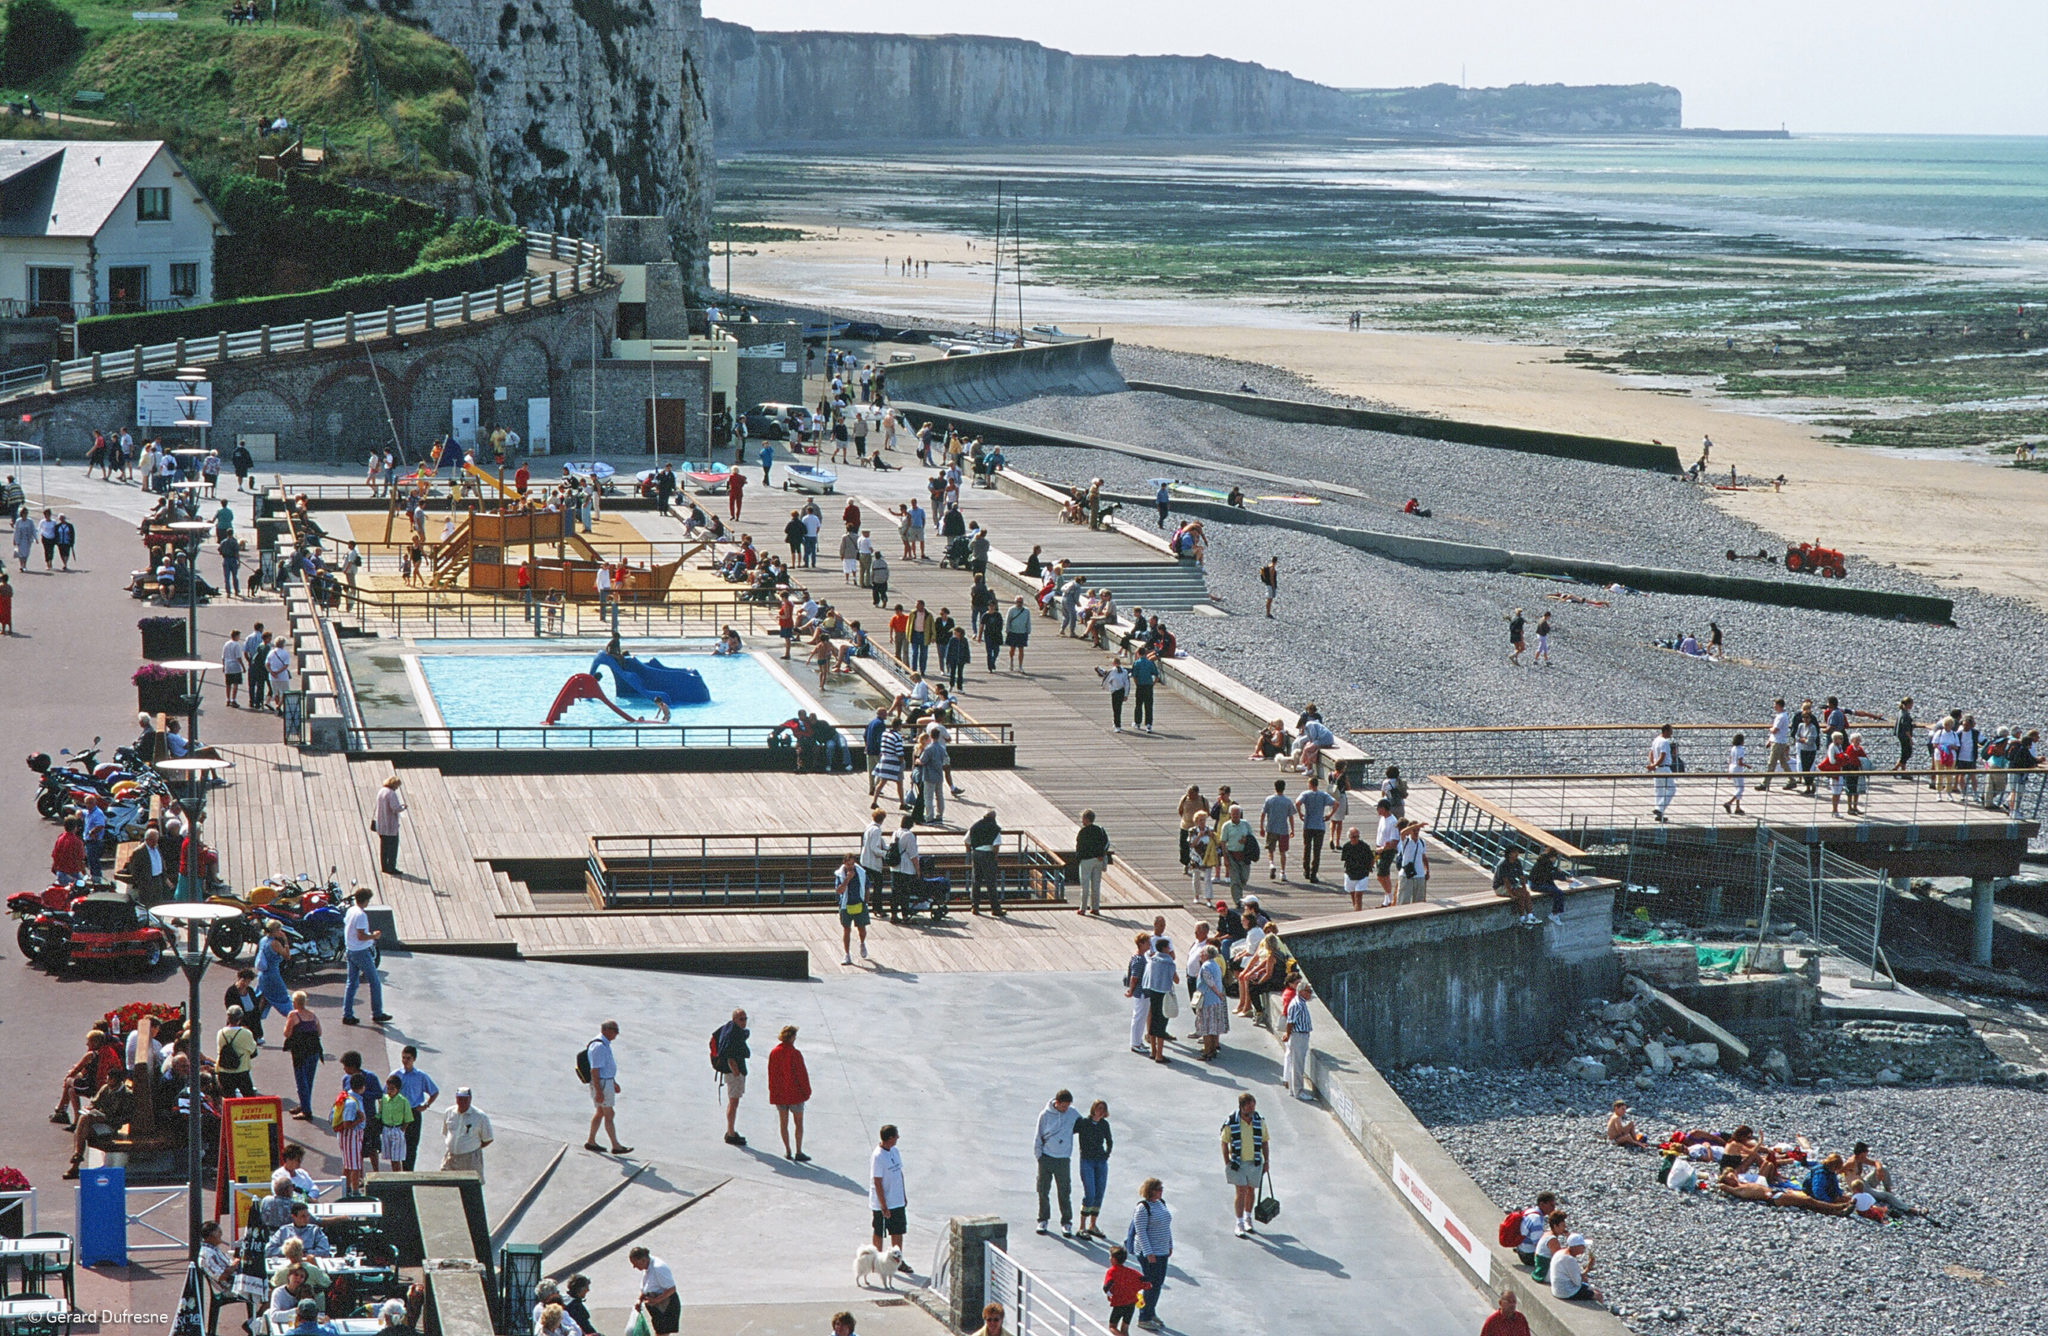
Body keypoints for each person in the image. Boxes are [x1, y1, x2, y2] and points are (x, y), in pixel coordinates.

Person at [1220, 1092, 1270, 1237]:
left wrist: (1266, 1161)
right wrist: (1227, 1162)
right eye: (1249, 1107)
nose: (1252, 1110)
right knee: (1240, 1191)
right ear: (1242, 1107)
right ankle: (1239, 1222)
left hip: (1254, 1162)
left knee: (1250, 1191)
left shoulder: (1259, 1121)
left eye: (1253, 1106)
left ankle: (1248, 1219)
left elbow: (1264, 1142)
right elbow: (1224, 1142)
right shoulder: (1231, 1122)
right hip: (1237, 1163)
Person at [1126, 1178, 1172, 1329]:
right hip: (1150, 1253)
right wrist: (1148, 1252)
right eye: (1158, 1188)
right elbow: (1141, 1232)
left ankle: (1150, 1312)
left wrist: (1170, 1244)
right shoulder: (1143, 1208)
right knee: (1151, 1285)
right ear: (1151, 1190)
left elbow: (1167, 1226)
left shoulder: (1161, 1204)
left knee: (1157, 1284)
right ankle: (1144, 1317)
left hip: (1162, 1251)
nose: (1161, 1190)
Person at [1034, 1089, 1081, 1236]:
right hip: (1046, 1157)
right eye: (1063, 1106)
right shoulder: (1045, 1115)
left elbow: (1082, 1126)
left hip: (1063, 1159)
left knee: (1064, 1191)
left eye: (1067, 1106)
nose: (1065, 1109)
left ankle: (1066, 1222)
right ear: (1057, 1102)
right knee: (1043, 1190)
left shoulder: (1072, 1113)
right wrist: (1039, 1156)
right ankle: (1043, 1219)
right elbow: (1038, 1134)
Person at [340, 886, 389, 1027]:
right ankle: (377, 1013)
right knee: (374, 982)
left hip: (350, 950)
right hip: (361, 952)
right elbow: (361, 936)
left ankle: (347, 1014)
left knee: (351, 983)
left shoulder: (351, 911)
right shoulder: (361, 915)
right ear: (366, 900)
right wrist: (374, 935)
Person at [584, 1020, 632, 1154]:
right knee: (609, 1114)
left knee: (600, 1113)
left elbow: (605, 1067)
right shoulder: (599, 1046)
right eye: (615, 1030)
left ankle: (591, 1141)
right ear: (606, 1030)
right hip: (602, 1084)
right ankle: (616, 1146)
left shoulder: (603, 1044)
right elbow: (594, 1070)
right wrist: (599, 1091)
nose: (617, 1034)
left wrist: (614, 1082)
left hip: (606, 1082)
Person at [767, 1025, 811, 1162]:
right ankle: (798, 1151)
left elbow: (771, 1075)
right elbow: (801, 1075)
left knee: (783, 1123)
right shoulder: (795, 1054)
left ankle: (787, 1150)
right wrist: (807, 1092)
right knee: (798, 1123)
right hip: (795, 1095)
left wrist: (773, 1092)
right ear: (791, 1037)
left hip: (780, 1095)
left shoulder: (774, 1052)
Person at [869, 1124, 910, 1261]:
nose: (898, 1137)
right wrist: (883, 1205)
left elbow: (899, 1173)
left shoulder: (895, 1151)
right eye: (896, 1135)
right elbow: (877, 1182)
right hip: (883, 1202)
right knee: (879, 1231)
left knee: (897, 1231)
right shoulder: (878, 1156)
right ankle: (877, 1260)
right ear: (890, 1138)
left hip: (896, 1200)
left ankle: (897, 1260)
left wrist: (903, 1195)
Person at [1075, 1098, 1114, 1238]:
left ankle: (1092, 1225)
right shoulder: (1084, 1123)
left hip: (1100, 1162)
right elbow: (1069, 1130)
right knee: (1089, 1193)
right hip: (1087, 1161)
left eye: (1103, 1109)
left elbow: (1109, 1141)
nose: (1100, 1111)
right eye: (1098, 1108)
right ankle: (1082, 1226)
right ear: (1093, 1108)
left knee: (1099, 1194)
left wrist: (1106, 1154)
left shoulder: (1104, 1125)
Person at [281, 990, 323, 1120]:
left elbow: (287, 1033)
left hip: (300, 1052)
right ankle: (304, 1104)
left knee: (301, 1081)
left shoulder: (293, 1015)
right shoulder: (312, 1015)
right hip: (314, 1050)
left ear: (295, 1003)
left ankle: (306, 1110)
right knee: (308, 1080)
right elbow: (319, 1032)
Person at [713, 1009, 749, 1147]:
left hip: (735, 1072)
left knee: (733, 1102)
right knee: (733, 1103)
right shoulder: (733, 1034)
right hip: (734, 1074)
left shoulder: (733, 1030)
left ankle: (731, 1131)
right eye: (741, 1019)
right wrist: (736, 1073)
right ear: (734, 1020)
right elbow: (729, 1056)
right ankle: (730, 1133)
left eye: (745, 1018)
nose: (744, 1021)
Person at [1141, 935, 1178, 1064]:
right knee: (1161, 1023)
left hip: (1152, 992)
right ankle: (1160, 1055)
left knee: (1152, 1020)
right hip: (1164, 994)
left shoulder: (1152, 960)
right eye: (1168, 947)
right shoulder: (1168, 962)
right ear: (1163, 948)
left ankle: (1153, 1051)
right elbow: (1176, 979)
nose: (1170, 949)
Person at [441, 1087, 492, 1178]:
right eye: (459, 1098)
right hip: (450, 1157)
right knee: (445, 1184)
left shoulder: (480, 1116)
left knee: (469, 1188)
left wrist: (469, 1146)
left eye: (465, 1099)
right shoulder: (449, 1112)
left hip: (469, 1159)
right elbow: (446, 1132)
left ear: (470, 1099)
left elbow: (487, 1139)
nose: (462, 1102)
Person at [629, 1247, 679, 1336]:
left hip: (666, 1307)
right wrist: (639, 1300)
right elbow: (646, 1286)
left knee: (662, 1333)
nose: (634, 1267)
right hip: (657, 1307)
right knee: (659, 1333)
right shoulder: (648, 1266)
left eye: (635, 1263)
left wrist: (655, 1300)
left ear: (643, 1260)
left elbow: (671, 1289)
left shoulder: (658, 1268)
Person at [1296, 775, 1335, 884]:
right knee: (1317, 851)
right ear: (1317, 785)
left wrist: (1300, 814)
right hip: (1319, 825)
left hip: (1308, 825)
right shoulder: (1323, 795)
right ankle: (1314, 874)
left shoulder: (1305, 794)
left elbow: (1297, 803)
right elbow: (1336, 803)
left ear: (1309, 785)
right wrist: (1329, 815)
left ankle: (1306, 870)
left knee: (1307, 848)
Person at [1280, 980, 1315, 1098]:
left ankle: (1292, 1088)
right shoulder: (1297, 1004)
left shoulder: (1300, 1002)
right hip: (1298, 1036)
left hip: (1299, 1035)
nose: (1310, 993)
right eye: (1308, 991)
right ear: (1301, 992)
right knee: (1298, 1065)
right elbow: (1290, 1022)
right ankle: (1298, 1091)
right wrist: (1288, 1034)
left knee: (1294, 1063)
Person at [835, 852, 870, 964]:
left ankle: (862, 943)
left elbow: (867, 887)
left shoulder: (861, 872)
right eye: (849, 864)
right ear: (844, 863)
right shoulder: (840, 874)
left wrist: (866, 901)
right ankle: (847, 954)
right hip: (846, 905)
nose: (851, 867)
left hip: (859, 903)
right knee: (846, 929)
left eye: (853, 864)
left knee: (862, 929)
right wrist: (847, 879)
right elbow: (839, 890)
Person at [1073, 810, 1110, 916]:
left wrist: (1079, 859)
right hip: (1098, 860)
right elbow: (1106, 843)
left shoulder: (1083, 832)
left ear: (1086, 819)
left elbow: (1079, 847)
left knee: (1085, 885)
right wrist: (1101, 854)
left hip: (1086, 861)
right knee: (1096, 885)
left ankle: (1083, 908)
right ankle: (1095, 908)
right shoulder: (1100, 830)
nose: (1081, 820)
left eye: (1082, 818)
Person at [1103, 1245, 1146, 1336]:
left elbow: (1106, 1287)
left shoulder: (1112, 1271)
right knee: (1125, 1329)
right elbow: (1144, 1281)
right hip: (1131, 1304)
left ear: (1114, 1259)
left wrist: (1109, 1294)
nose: (1109, 1258)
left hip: (1119, 1303)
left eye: (1110, 1256)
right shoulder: (1131, 1271)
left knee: (1112, 1327)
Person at [967, 808, 1003, 915]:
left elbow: (966, 841)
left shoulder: (975, 826)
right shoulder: (995, 828)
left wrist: (970, 852)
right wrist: (995, 856)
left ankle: (975, 907)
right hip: (988, 855)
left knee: (976, 881)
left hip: (976, 853)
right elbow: (996, 845)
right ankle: (995, 909)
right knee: (990, 882)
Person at [1259, 779, 1295, 882]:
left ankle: (1271, 863)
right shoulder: (1287, 801)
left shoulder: (1269, 799)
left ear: (1275, 787)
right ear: (1284, 788)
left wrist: (1261, 827)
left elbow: (1263, 814)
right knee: (1283, 852)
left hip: (1271, 828)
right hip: (1283, 829)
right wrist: (1292, 829)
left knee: (1270, 849)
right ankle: (1282, 872)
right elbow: (1291, 816)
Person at [1549, 1235, 1601, 1304]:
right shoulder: (1570, 1260)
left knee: (1589, 1287)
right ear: (1575, 1247)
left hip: (1556, 1289)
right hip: (1566, 1292)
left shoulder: (1560, 1252)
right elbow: (1578, 1282)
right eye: (1582, 1246)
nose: (1584, 1248)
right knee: (1598, 1295)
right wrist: (1588, 1268)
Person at [374, 776, 406, 876]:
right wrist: (403, 807)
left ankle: (384, 867)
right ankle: (391, 867)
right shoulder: (391, 794)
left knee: (383, 847)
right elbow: (395, 808)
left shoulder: (381, 791)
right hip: (390, 825)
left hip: (381, 824)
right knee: (392, 848)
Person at [1647, 724, 1677, 822]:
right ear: (1666, 731)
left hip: (1657, 769)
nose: (1671, 733)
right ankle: (1659, 809)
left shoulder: (1656, 740)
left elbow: (1651, 752)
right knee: (1672, 789)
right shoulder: (1664, 742)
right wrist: (1655, 764)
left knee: (1658, 790)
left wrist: (1652, 764)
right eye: (1670, 731)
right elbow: (1662, 755)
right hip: (1664, 768)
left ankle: (1659, 814)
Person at [1395, 820, 1430, 904]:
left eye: (1418, 830)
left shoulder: (1421, 842)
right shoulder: (1405, 841)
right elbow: (1402, 832)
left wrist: (1427, 870)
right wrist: (1417, 825)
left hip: (1419, 874)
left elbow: (1423, 857)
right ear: (1410, 830)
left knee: (1419, 902)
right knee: (1403, 900)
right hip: (1406, 874)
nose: (1416, 832)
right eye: (1414, 830)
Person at [1723, 732, 1749, 815]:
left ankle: (1738, 807)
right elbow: (1739, 762)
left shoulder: (1733, 748)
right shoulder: (1741, 749)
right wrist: (1747, 765)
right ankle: (1729, 803)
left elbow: (1730, 759)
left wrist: (1728, 772)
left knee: (1737, 788)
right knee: (1741, 788)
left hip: (1731, 768)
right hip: (1737, 769)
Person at [1004, 595, 1032, 671]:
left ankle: (1020, 666)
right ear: (1015, 602)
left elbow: (1028, 621)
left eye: (1021, 602)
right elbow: (1008, 620)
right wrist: (1007, 629)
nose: (1019, 604)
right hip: (1013, 631)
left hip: (1022, 632)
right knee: (1012, 649)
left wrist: (1028, 630)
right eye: (1018, 602)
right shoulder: (1011, 610)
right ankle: (1011, 662)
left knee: (1021, 649)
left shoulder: (1026, 611)